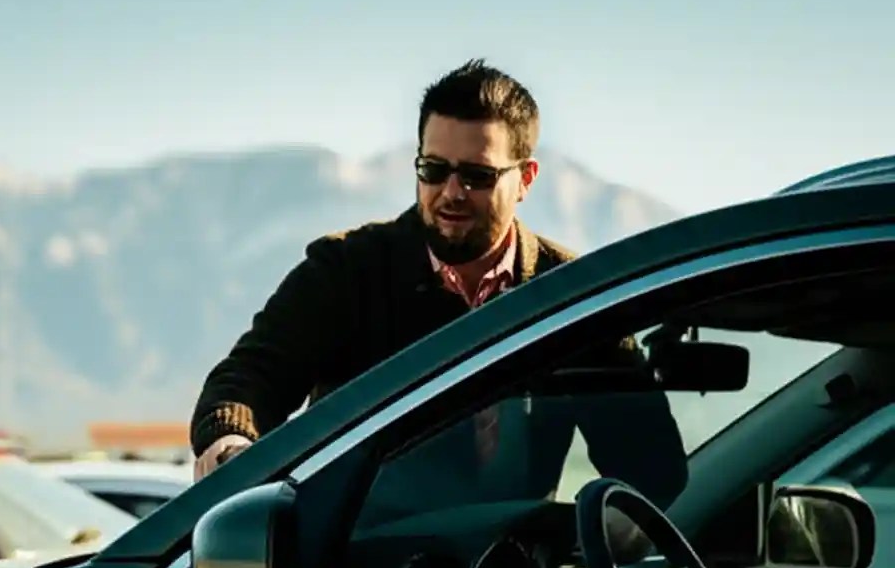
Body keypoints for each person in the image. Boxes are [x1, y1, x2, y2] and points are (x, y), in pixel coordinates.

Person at [189, 58, 686, 509]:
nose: (451, 193)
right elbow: (250, 376)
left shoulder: (572, 296)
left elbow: (651, 464)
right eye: (434, 170)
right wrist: (231, 444)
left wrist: (622, 519)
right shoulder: (345, 271)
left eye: (477, 176)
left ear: (526, 178)